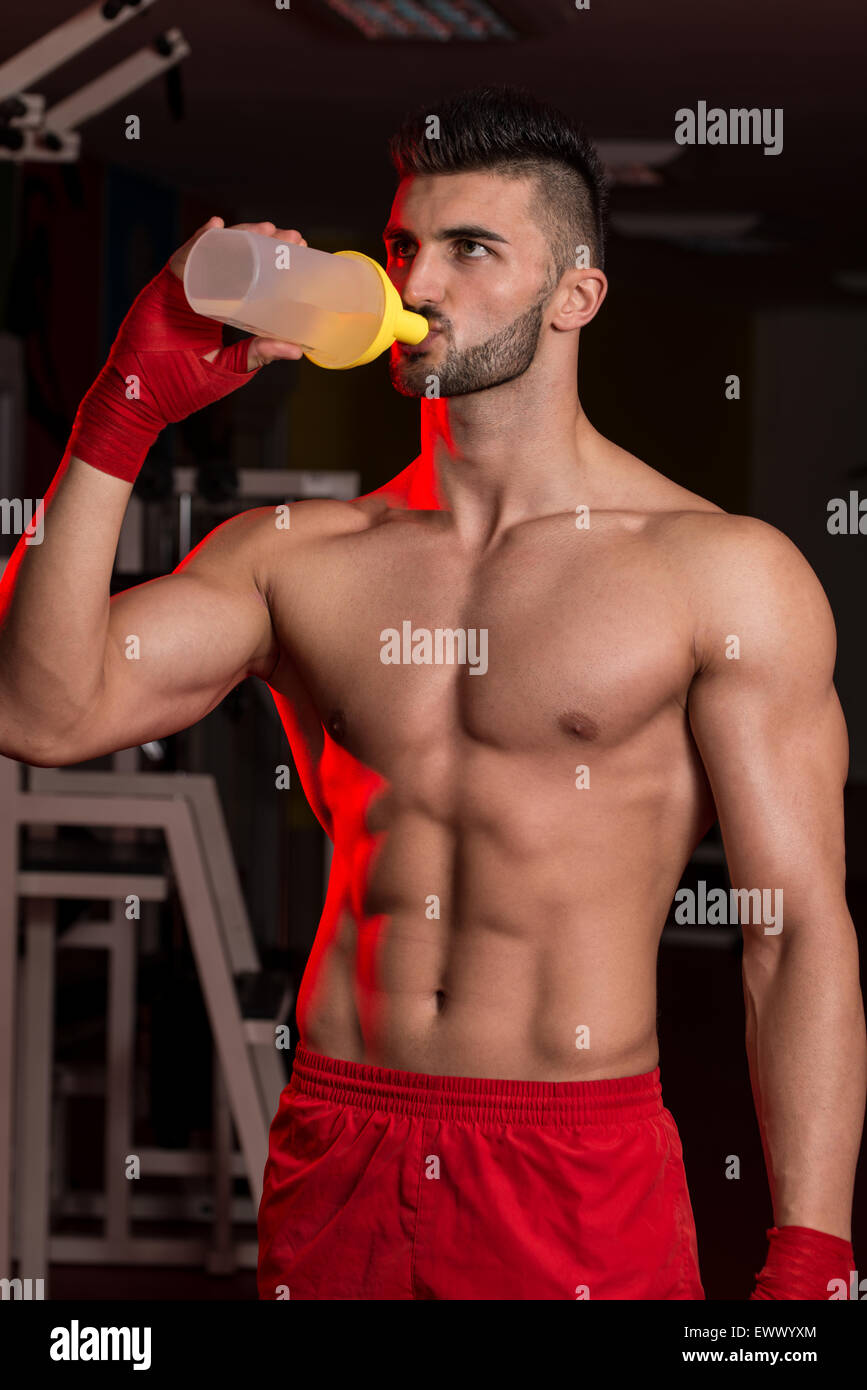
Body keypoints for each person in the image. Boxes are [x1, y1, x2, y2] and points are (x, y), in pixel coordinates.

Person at [0, 86, 863, 1301]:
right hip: (339, 1144)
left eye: (472, 249)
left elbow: (794, 928)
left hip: (574, 1164)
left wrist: (811, 1256)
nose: (418, 281)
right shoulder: (297, 556)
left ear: (576, 296)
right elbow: (40, 710)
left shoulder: (720, 571)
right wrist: (121, 407)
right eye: (405, 244)